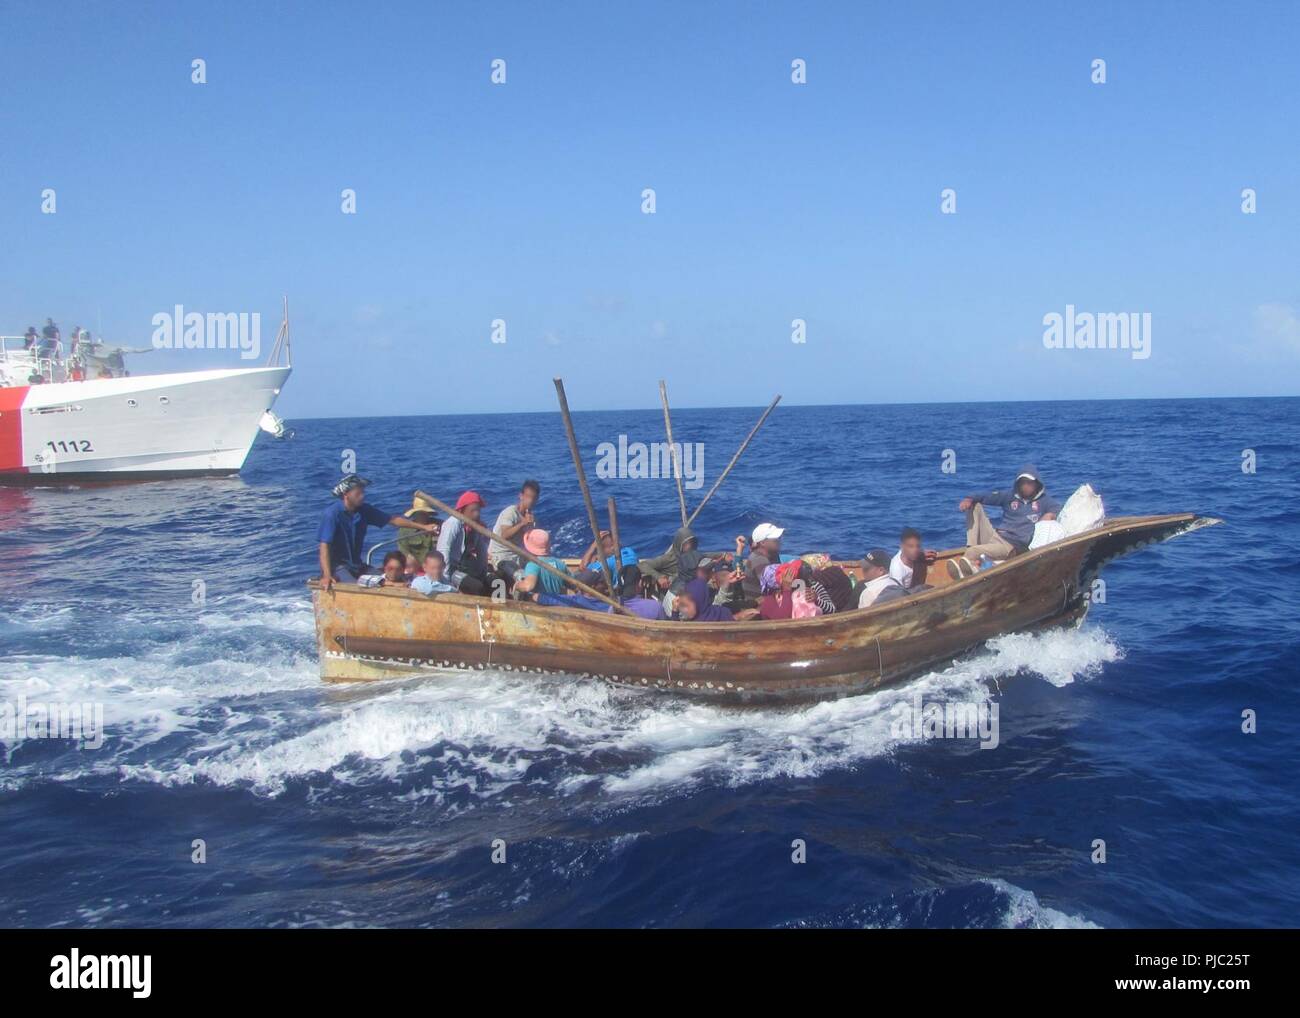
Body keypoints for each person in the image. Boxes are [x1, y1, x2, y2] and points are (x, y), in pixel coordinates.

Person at [317, 475, 438, 589]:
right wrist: (327, 575)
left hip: (357, 565)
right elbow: (324, 546)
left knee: (393, 579)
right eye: (358, 493)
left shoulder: (364, 510)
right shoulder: (332, 514)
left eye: (363, 492)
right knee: (359, 587)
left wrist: (423, 527)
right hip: (337, 568)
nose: (362, 496)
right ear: (346, 495)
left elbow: (393, 520)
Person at [951, 464, 1062, 578]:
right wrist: (969, 498)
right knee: (975, 505)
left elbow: (1058, 510)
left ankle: (967, 570)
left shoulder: (1044, 501)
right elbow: (986, 496)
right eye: (1022, 482)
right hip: (997, 536)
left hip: (1011, 545)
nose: (1025, 486)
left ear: (1036, 483)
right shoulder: (1010, 496)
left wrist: (1048, 516)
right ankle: (973, 558)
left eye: (1029, 483)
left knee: (973, 552)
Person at [436, 490, 500, 596]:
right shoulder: (452, 524)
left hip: (466, 566)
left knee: (496, 582)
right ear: (462, 510)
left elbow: (482, 551)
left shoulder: (475, 526)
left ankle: (498, 607)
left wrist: (482, 574)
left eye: (478, 511)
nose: (476, 514)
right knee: (477, 587)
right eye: (473, 511)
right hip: (451, 569)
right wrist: (445, 580)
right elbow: (443, 550)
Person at [490, 480, 540, 581]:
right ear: (521, 496)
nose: (530, 501)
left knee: (541, 572)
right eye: (528, 497)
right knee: (522, 577)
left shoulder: (530, 517)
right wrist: (523, 524)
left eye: (533, 498)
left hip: (518, 556)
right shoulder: (511, 512)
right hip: (502, 556)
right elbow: (504, 535)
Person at [512, 529, 573, 597]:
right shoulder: (560, 563)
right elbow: (572, 584)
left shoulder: (533, 565)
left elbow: (528, 586)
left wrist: (516, 585)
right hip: (556, 602)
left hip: (540, 604)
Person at [741, 523, 784, 603]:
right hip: (758, 605)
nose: (778, 541)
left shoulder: (773, 555)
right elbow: (775, 585)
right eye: (775, 539)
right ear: (763, 543)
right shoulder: (759, 559)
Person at [397, 494, 442, 566]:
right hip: (416, 567)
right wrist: (410, 559)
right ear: (414, 514)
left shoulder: (440, 525)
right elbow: (403, 550)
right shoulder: (405, 530)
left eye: (425, 513)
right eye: (420, 513)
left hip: (436, 565)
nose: (422, 516)